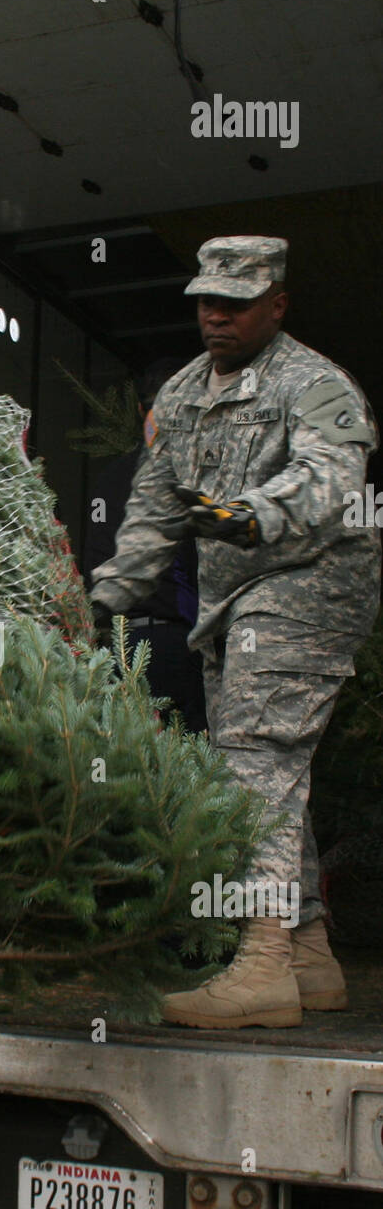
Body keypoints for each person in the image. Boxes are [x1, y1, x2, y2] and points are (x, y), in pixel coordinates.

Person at [90, 235, 380, 1028]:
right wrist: (107, 597)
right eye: (205, 300)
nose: (215, 316)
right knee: (268, 766)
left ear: (276, 305)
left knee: (253, 753)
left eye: (236, 302)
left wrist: (248, 513)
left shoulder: (316, 383)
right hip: (233, 602)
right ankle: (310, 957)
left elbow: (332, 478)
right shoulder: (180, 397)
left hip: (313, 582)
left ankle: (259, 967)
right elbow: (152, 507)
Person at [83, 358, 207, 731]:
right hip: (182, 641)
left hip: (122, 643)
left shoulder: (108, 480)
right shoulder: (192, 475)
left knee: (131, 758)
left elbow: (95, 560)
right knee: (191, 759)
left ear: (140, 409)